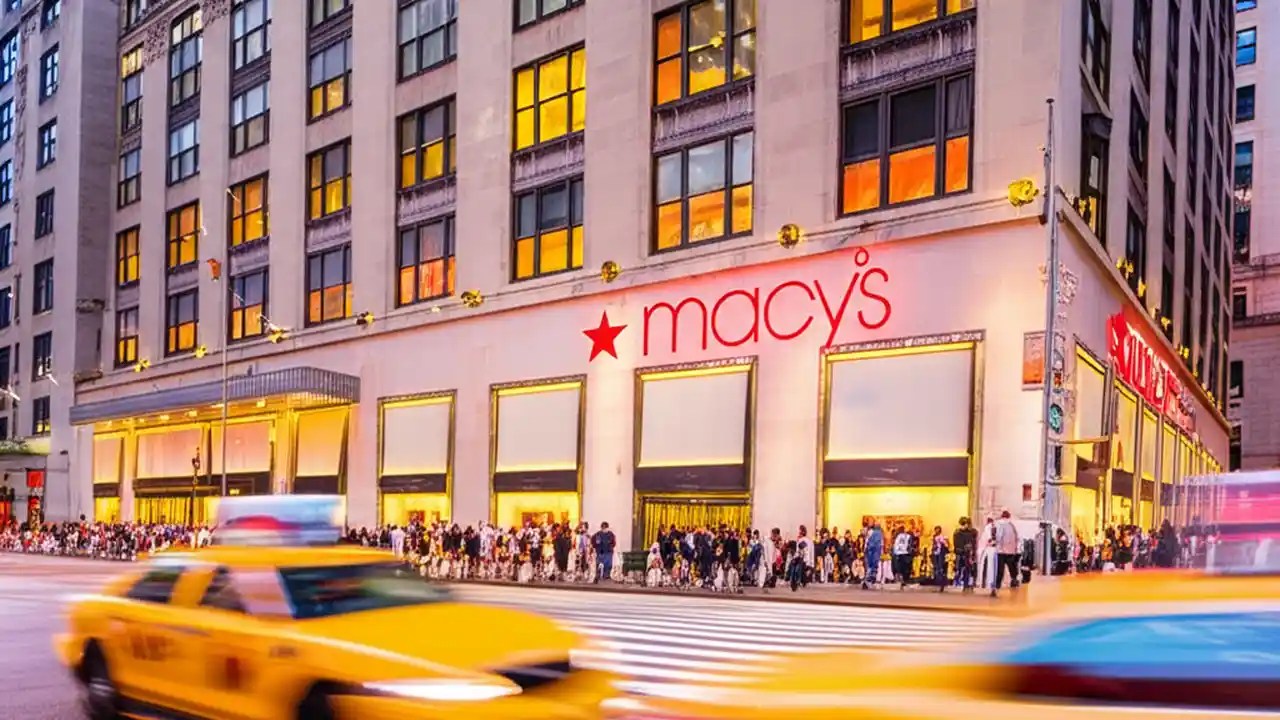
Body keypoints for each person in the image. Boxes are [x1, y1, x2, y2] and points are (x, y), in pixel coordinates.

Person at [992, 510, 1021, 597]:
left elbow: (999, 536)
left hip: (1001, 551)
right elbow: (1017, 538)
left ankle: (997, 587)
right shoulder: (1012, 526)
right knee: (1012, 567)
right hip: (1011, 551)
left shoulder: (1000, 524)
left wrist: (996, 543)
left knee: (1000, 570)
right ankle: (1014, 580)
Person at [952, 517, 977, 592]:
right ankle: (959, 582)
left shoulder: (969, 533)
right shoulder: (958, 533)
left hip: (966, 553)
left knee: (967, 569)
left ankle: (965, 584)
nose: (966, 525)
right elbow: (957, 544)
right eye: (965, 523)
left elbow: (972, 543)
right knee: (960, 569)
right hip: (961, 553)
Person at [892, 525, 913, 590]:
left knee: (899, 568)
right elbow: (910, 544)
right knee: (905, 568)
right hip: (906, 554)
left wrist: (894, 553)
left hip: (898, 554)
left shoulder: (897, 536)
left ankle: (901, 581)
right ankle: (904, 581)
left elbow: (895, 545)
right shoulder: (908, 536)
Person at [930, 525, 950, 592]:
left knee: (940, 569)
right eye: (935, 530)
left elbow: (946, 545)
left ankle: (942, 584)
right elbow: (933, 545)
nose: (936, 531)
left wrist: (944, 543)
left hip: (941, 554)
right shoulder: (934, 537)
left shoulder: (942, 537)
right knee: (936, 568)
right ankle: (938, 583)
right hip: (935, 554)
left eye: (938, 530)